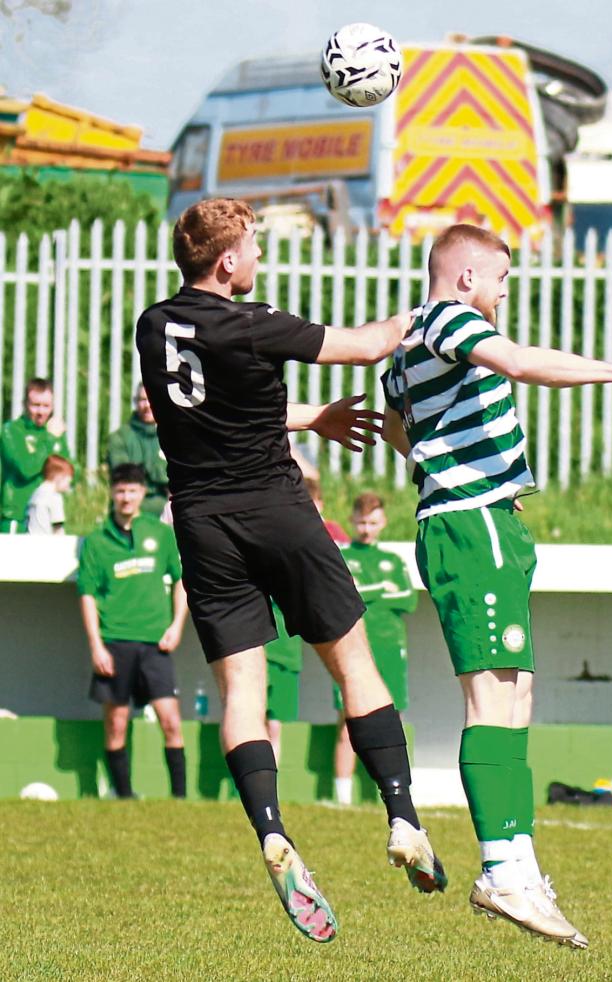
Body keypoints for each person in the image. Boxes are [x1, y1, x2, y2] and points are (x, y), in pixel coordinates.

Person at [135, 198, 445, 945]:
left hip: (202, 523)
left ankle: (271, 831)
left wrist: (312, 419)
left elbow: (220, 408)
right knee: (354, 665)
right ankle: (402, 813)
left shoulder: (152, 325)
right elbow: (368, 345)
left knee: (241, 688)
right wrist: (439, 304)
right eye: (254, 248)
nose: (259, 260)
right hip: (278, 508)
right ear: (228, 262)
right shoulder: (253, 321)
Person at [380, 223, 612, 948]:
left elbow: (400, 430)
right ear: (465, 278)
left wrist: (450, 458)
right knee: (492, 693)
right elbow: (517, 363)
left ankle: (518, 862)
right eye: (500, 281)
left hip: (485, 519)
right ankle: (502, 871)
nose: (503, 294)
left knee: (517, 693)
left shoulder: (404, 349)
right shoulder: (449, 319)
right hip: (471, 523)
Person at [77, 463, 189, 800]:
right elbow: (87, 595)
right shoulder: (96, 541)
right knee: (116, 722)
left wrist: (176, 625)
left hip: (155, 643)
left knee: (170, 719)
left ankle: (180, 801)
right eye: (120, 490)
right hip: (115, 642)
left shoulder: (160, 533)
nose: (126, 497)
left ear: (142, 494)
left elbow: (182, 580)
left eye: (132, 490)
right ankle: (123, 796)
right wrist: (96, 646)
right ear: (112, 493)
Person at [333, 492, 416, 805]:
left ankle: (396, 795)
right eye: (362, 522)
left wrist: (371, 593)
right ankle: (341, 797)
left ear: (383, 523)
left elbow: (408, 599)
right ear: (352, 520)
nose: (367, 528)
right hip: (353, 649)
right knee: (347, 723)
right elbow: (345, 595)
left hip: (391, 648)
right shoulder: (342, 556)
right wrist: (382, 590)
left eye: (373, 522)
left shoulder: (392, 561)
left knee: (394, 721)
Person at [0, 377, 73, 533]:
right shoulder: (11, 431)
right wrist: (50, 439)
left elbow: (71, 470)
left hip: (47, 515)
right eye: (36, 405)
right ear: (25, 404)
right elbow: (25, 468)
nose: (41, 412)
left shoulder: (54, 431)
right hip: (17, 516)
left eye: (46, 406)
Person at [107, 383, 169, 515]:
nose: (147, 405)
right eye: (142, 400)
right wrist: (161, 472)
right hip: (132, 505)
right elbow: (125, 476)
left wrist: (145, 468)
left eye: (151, 399)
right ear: (135, 402)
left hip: (168, 503)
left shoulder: (174, 436)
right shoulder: (120, 438)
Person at [265, 602, 303, 765]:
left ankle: (268, 783)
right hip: (256, 654)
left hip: (287, 658)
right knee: (250, 721)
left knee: (274, 726)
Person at [25, 454, 74, 534]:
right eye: (68, 481)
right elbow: (58, 528)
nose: (68, 486)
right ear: (59, 477)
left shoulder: (35, 493)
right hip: (46, 542)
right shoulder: (55, 496)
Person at [305, 475, 349, 545]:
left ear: (321, 504)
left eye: (311, 504)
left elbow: (347, 551)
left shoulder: (333, 529)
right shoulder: (291, 531)